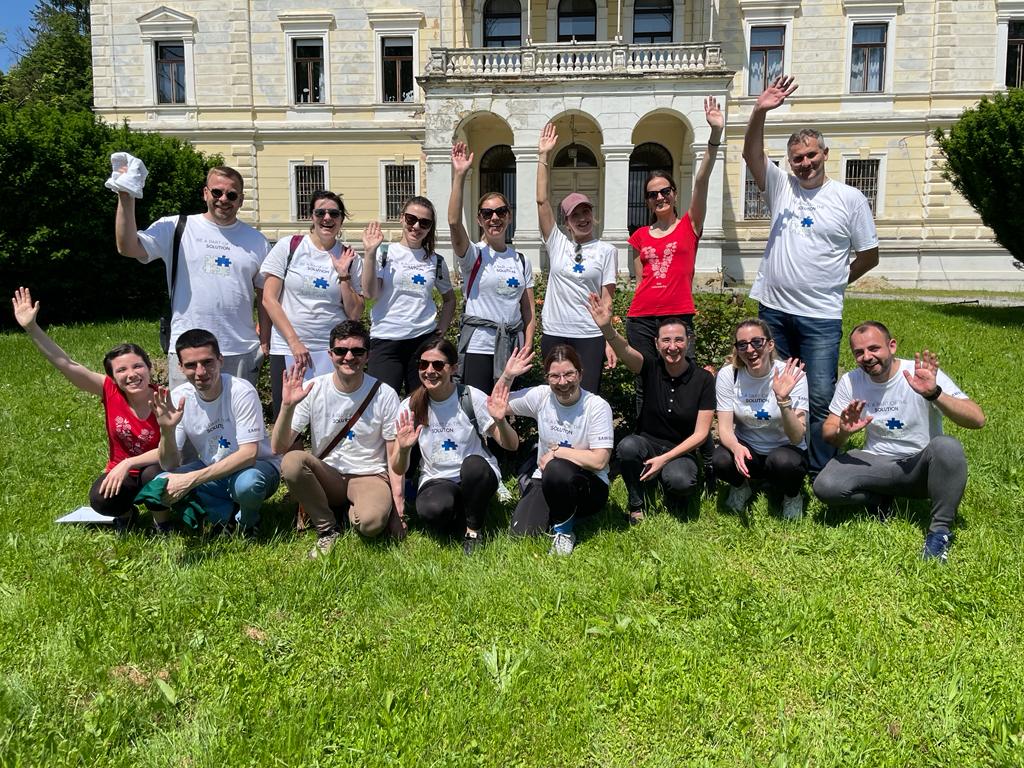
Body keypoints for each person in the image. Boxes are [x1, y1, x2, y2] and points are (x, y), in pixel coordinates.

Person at [742, 75, 879, 474]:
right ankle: (783, 459)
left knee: (819, 395)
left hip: (821, 316)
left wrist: (836, 280)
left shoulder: (849, 199)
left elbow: (869, 255)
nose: (805, 164)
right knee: (776, 390)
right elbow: (752, 155)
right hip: (774, 312)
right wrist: (759, 111)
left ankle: (819, 469)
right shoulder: (782, 187)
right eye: (797, 158)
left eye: (811, 155)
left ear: (825, 153)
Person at [813, 322, 986, 562]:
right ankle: (880, 498)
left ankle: (939, 533)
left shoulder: (918, 374)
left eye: (874, 348)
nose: (867, 357)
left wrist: (934, 393)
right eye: (859, 352)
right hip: (877, 464)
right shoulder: (852, 381)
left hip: (921, 469)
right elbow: (829, 433)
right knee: (825, 486)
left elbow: (977, 419)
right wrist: (844, 431)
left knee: (948, 447)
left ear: (891, 346)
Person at [12, 287, 163, 532]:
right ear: (112, 377)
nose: (132, 375)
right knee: (100, 499)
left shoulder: (164, 398)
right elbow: (66, 364)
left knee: (153, 476)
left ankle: (162, 521)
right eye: (122, 370)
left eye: (138, 366)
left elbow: (172, 452)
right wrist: (32, 328)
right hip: (121, 471)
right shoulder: (110, 391)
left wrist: (129, 462)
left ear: (149, 367)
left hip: (158, 466)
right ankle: (127, 513)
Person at [114, 165, 271, 391]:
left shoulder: (257, 241)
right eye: (217, 192)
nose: (223, 199)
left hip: (239, 348)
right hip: (187, 349)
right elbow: (128, 247)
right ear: (205, 193)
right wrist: (125, 196)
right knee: (186, 421)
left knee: (239, 422)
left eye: (232, 195)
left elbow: (265, 292)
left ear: (241, 200)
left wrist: (264, 340)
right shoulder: (176, 227)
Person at [271, 320, 403, 559]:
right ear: (330, 355)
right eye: (341, 351)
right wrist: (287, 407)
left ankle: (352, 512)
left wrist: (398, 510)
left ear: (367, 356)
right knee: (291, 461)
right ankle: (327, 529)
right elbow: (278, 446)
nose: (349, 357)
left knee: (371, 525)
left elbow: (394, 458)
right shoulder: (314, 388)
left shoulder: (384, 393)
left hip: (368, 474)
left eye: (357, 351)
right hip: (328, 474)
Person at [587, 295, 715, 524]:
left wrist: (664, 459)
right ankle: (636, 504)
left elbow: (701, 434)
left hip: (680, 450)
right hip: (646, 444)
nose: (672, 347)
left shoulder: (703, 379)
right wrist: (607, 329)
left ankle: (670, 488)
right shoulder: (649, 366)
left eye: (679, 340)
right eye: (666, 340)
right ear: (656, 343)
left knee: (680, 481)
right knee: (627, 447)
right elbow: (625, 349)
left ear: (688, 341)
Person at [392, 338, 519, 554]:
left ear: (453, 368)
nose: (429, 371)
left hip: (476, 474)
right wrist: (404, 449)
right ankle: (469, 509)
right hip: (436, 478)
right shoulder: (410, 406)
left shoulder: (470, 397)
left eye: (438, 365)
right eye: (423, 365)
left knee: (474, 466)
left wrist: (500, 421)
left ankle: (473, 530)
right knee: (433, 511)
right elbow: (397, 468)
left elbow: (512, 445)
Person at [150, 329, 281, 538]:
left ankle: (248, 523)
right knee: (161, 483)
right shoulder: (179, 397)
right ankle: (225, 518)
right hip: (215, 467)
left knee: (248, 485)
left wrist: (192, 479)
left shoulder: (240, 391)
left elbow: (249, 454)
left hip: (257, 468)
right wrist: (167, 430)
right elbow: (169, 464)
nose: (200, 371)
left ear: (220, 360)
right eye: (191, 365)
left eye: (207, 362)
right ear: (180, 368)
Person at [626, 96, 723, 364]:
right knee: (646, 383)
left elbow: (701, 180)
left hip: (678, 315)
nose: (660, 198)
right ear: (647, 200)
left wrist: (715, 134)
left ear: (675, 194)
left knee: (682, 379)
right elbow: (640, 281)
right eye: (653, 194)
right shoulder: (639, 237)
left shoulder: (690, 226)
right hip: (641, 318)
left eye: (665, 191)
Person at [498, 344, 614, 555]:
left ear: (580, 374)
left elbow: (600, 461)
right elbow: (496, 403)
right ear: (547, 377)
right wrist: (507, 375)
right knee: (522, 533)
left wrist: (558, 452)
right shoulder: (541, 397)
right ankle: (560, 512)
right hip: (546, 478)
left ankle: (564, 530)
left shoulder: (596, 406)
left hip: (589, 485)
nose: (563, 383)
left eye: (569, 374)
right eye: (555, 376)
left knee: (557, 467)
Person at [261, 190, 366, 418]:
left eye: (334, 214)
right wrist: (294, 342)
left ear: (341, 220)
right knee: (288, 417)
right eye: (321, 212)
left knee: (329, 418)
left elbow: (355, 313)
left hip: (332, 352)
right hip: (288, 349)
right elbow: (269, 299)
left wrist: (343, 275)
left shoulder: (350, 258)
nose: (327, 218)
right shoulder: (289, 247)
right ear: (312, 216)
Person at [536, 123, 618, 394]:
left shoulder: (607, 251)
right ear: (566, 221)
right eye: (575, 215)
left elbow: (607, 301)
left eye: (586, 212)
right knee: (556, 394)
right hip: (555, 332)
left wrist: (609, 340)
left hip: (590, 335)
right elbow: (541, 203)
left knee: (588, 396)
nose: (582, 219)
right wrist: (543, 157)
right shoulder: (557, 243)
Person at [448, 142, 536, 393]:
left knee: (506, 410)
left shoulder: (521, 260)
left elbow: (528, 311)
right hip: (478, 346)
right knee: (476, 408)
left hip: (512, 348)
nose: (494, 218)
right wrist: (459, 175)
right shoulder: (473, 254)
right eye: (487, 214)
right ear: (479, 219)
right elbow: (454, 222)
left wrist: (528, 343)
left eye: (500, 212)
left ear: (509, 216)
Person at [359, 196, 456, 396]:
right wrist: (369, 254)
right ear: (402, 218)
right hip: (386, 339)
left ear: (430, 228)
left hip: (422, 342)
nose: (416, 226)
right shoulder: (384, 253)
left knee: (421, 404)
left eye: (424, 223)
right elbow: (369, 293)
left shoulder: (435, 261)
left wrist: (441, 330)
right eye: (411, 219)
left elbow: (450, 299)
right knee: (381, 403)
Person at [713, 319, 809, 520]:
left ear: (770, 344)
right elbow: (724, 429)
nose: (750, 349)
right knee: (720, 459)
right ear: (737, 349)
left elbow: (796, 436)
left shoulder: (792, 375)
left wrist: (783, 401)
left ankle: (792, 496)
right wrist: (735, 447)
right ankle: (741, 487)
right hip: (749, 450)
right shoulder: (729, 375)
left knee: (784, 462)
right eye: (742, 344)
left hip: (784, 450)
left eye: (757, 342)